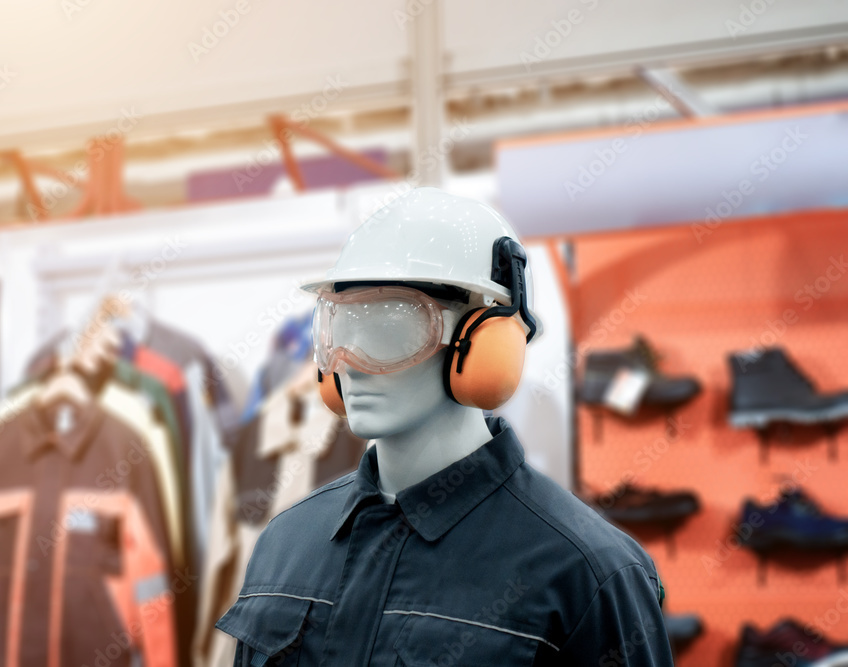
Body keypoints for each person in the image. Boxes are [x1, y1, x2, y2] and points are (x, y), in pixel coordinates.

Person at [216, 187, 673, 666]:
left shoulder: (588, 572)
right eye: (340, 330)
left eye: (391, 330)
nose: (349, 363)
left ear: (483, 342)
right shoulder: (285, 543)